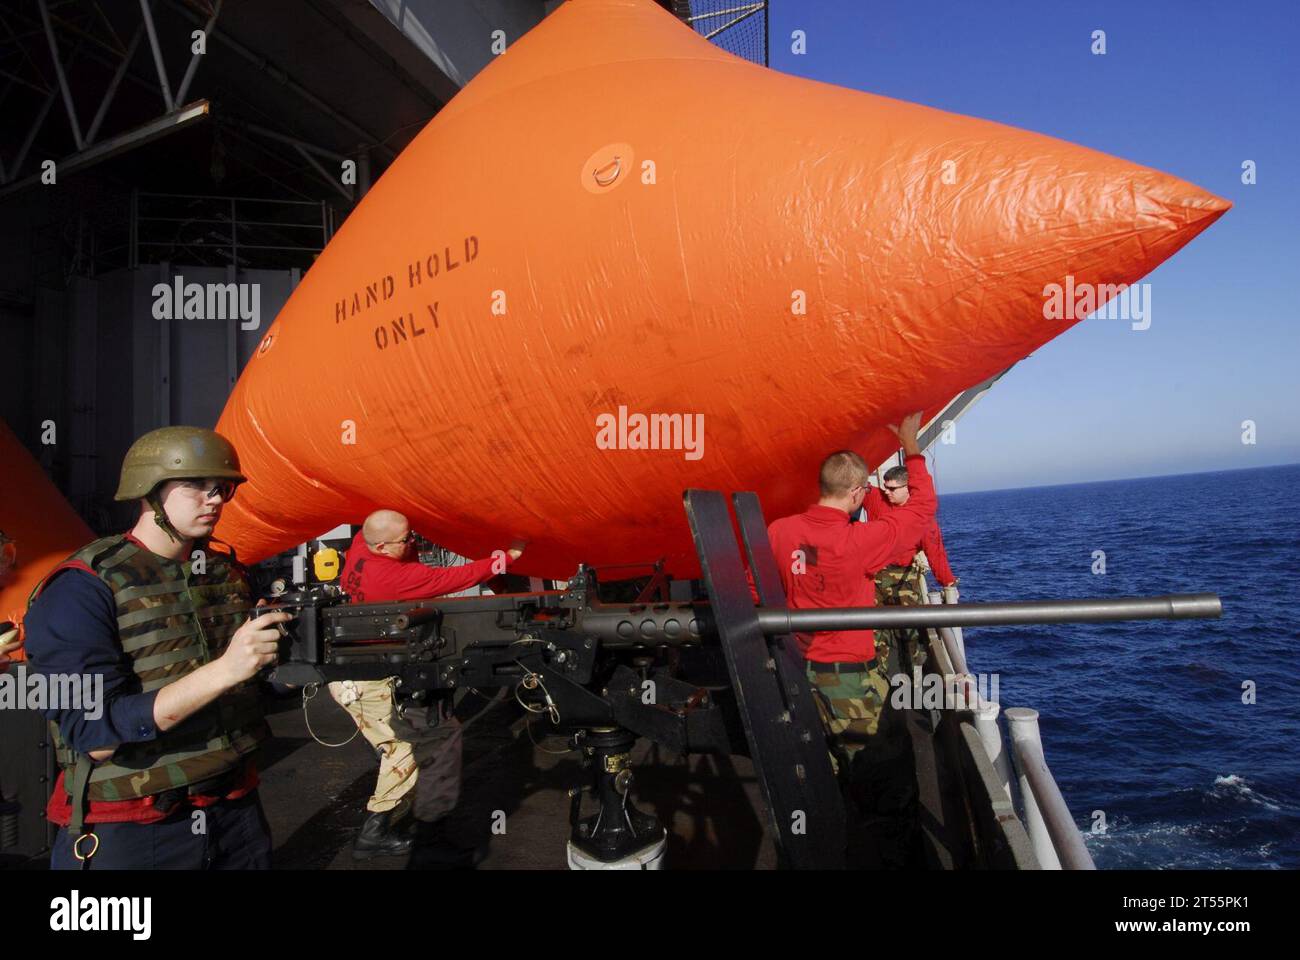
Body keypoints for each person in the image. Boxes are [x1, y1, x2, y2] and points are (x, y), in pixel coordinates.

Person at [23, 426, 292, 869]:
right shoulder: (82, 588)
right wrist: (227, 668)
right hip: (134, 827)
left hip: (235, 810)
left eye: (222, 488)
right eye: (196, 487)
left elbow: (252, 693)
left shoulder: (224, 575)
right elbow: (93, 735)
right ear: (149, 491)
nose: (216, 500)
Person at [764, 412, 936, 867]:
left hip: (801, 677)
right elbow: (920, 513)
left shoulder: (778, 532)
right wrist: (912, 450)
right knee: (886, 785)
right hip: (853, 685)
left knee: (826, 775)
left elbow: (750, 585)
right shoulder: (860, 541)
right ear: (858, 492)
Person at [330, 509, 521, 862]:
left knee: (398, 743)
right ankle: (374, 833)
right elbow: (458, 577)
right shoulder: (395, 579)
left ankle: (390, 820)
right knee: (403, 751)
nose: (414, 542)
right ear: (384, 546)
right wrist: (504, 559)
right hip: (365, 684)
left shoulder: (362, 548)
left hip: (351, 672)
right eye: (407, 539)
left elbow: (382, 529)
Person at [865, 463, 958, 675]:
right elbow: (858, 484)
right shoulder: (877, 499)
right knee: (874, 628)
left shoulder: (921, 519)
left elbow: (935, 552)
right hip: (875, 577)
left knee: (910, 629)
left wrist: (948, 582)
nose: (886, 492)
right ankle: (880, 674)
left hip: (903, 579)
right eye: (885, 487)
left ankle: (914, 672)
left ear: (908, 488)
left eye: (892, 489)